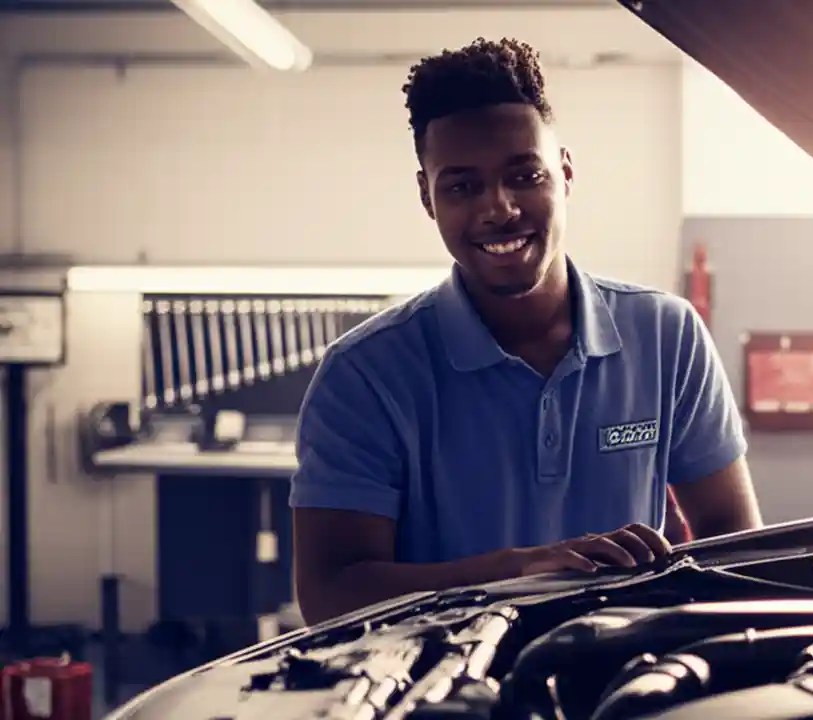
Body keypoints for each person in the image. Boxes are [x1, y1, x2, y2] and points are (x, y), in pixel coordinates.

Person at [289, 37, 763, 624]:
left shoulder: (667, 336)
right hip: (442, 699)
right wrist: (518, 575)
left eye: (524, 175)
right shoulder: (363, 375)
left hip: (625, 682)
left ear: (564, 174)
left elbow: (733, 540)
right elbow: (331, 593)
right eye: (462, 186)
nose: (499, 208)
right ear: (427, 198)